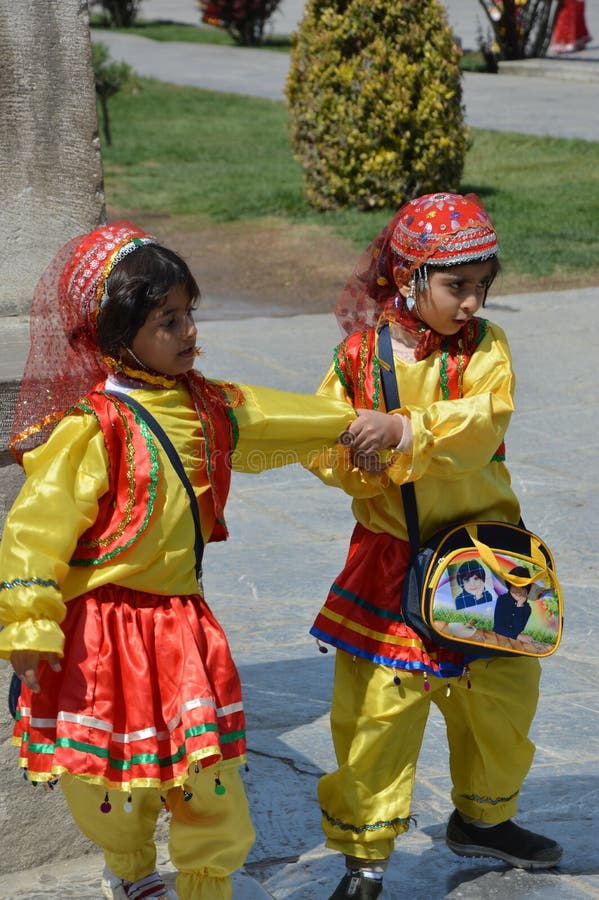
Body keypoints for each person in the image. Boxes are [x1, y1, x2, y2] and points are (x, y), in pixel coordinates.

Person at [0, 221, 372, 900]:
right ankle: (132, 866)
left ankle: (207, 884)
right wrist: (28, 624)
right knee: (108, 783)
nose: (189, 333)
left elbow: (279, 416)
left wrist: (348, 424)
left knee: (210, 776)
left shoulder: (210, 405)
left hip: (180, 628)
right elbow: (34, 530)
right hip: (103, 637)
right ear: (114, 335)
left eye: (188, 314)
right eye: (167, 320)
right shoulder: (91, 428)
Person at [306, 193, 563, 899]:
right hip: (393, 562)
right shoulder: (357, 358)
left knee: (501, 701)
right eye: (457, 286)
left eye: (483, 284)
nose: (473, 301)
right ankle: (364, 857)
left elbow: (483, 421)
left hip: (482, 557)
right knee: (378, 716)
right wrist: (348, 457)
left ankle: (482, 818)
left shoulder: (485, 350)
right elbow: (322, 442)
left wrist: (403, 432)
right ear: (407, 279)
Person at [493, 567, 533, 641]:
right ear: (509, 585)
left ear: (527, 589)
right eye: (515, 586)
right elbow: (497, 628)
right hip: (498, 640)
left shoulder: (527, 608)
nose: (518, 591)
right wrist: (518, 636)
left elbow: (517, 630)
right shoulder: (502, 600)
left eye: (523, 587)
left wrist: (519, 605)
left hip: (513, 644)